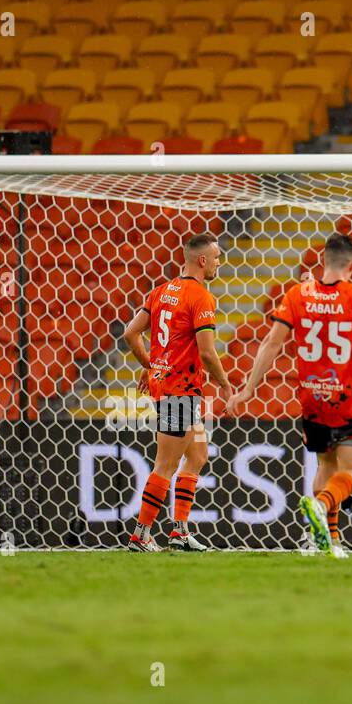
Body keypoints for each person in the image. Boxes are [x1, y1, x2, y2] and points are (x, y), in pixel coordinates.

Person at [229, 233, 352, 558]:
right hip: (346, 398)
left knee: (325, 465)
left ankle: (328, 541)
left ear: (324, 260)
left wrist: (248, 388)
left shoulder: (298, 293)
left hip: (312, 398)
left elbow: (272, 343)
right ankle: (321, 505)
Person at [120, 233, 234, 552]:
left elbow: (131, 333)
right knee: (166, 465)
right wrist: (226, 384)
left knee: (197, 455)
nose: (218, 264)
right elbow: (208, 352)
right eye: (216, 258)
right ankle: (141, 534)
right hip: (180, 389)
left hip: (170, 386)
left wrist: (152, 365)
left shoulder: (161, 291)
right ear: (202, 260)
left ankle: (179, 532)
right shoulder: (200, 297)